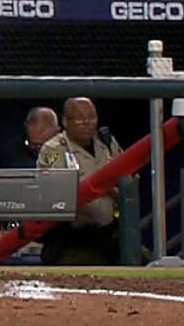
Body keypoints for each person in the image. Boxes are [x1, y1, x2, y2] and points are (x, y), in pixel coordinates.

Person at [37, 97, 122, 265]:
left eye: (91, 117)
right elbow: (59, 194)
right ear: (65, 121)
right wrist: (104, 186)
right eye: (79, 118)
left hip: (110, 231)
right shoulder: (54, 149)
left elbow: (128, 181)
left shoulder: (107, 142)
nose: (87, 123)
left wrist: (113, 191)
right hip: (72, 236)